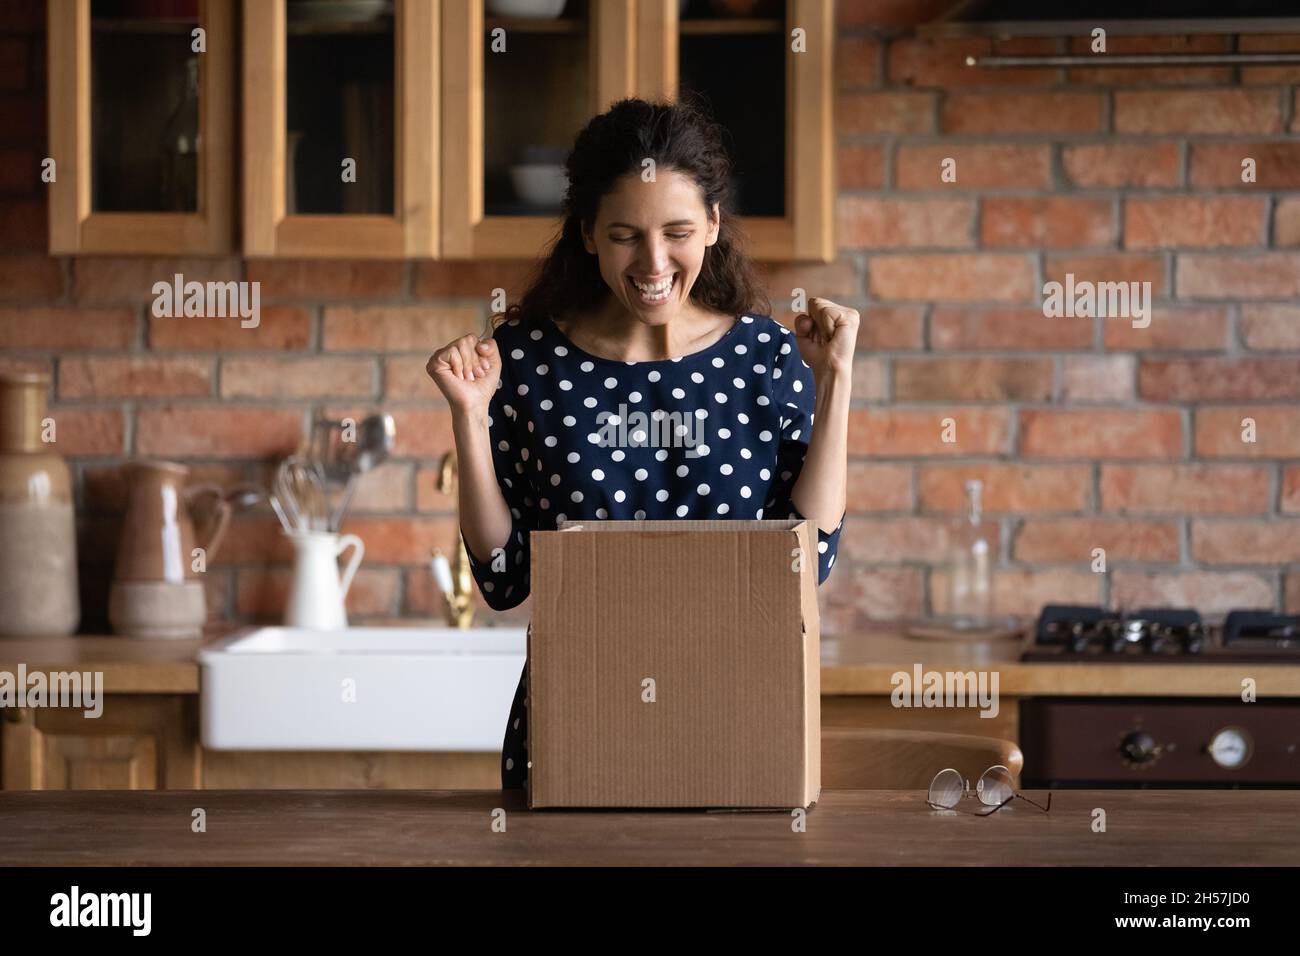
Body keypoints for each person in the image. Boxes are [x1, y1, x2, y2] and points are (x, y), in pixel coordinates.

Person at [425, 96, 857, 792]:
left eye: (678, 231)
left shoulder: (769, 358)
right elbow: (504, 576)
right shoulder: (525, 361)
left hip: (739, 726)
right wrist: (470, 417)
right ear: (589, 232)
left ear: (714, 224)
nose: (653, 261)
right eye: (625, 234)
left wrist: (835, 380)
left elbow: (808, 559)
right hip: (572, 728)